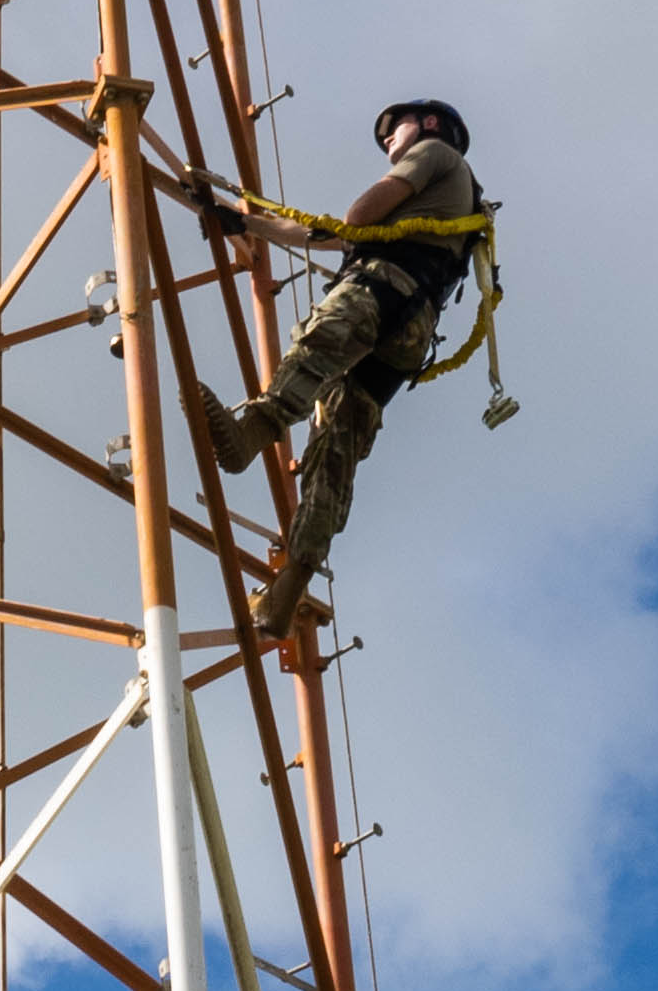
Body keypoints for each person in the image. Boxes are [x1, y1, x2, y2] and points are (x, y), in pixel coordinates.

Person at [193, 99, 501, 640]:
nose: (388, 143)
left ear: (430, 127)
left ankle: (254, 431)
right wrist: (243, 223)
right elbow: (329, 236)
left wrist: (369, 203)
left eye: (394, 131)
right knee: (335, 452)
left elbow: (357, 219)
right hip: (406, 333)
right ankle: (286, 594)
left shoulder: (434, 154)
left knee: (317, 344)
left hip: (383, 293)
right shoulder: (450, 205)